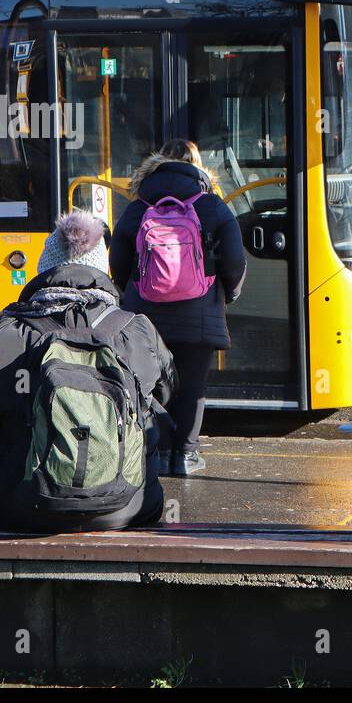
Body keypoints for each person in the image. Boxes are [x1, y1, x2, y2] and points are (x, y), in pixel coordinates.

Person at [0, 210, 177, 533]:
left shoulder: (6, 331)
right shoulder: (136, 329)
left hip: (19, 508)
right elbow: (167, 394)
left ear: (44, 268)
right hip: (127, 507)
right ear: (100, 268)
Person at [110, 140, 246, 476]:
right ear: (198, 169)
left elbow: (119, 262)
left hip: (145, 314)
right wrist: (228, 294)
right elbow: (234, 260)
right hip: (199, 312)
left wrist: (131, 292)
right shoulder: (212, 205)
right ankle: (186, 456)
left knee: (147, 383)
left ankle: (159, 450)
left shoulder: (138, 206)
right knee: (193, 385)